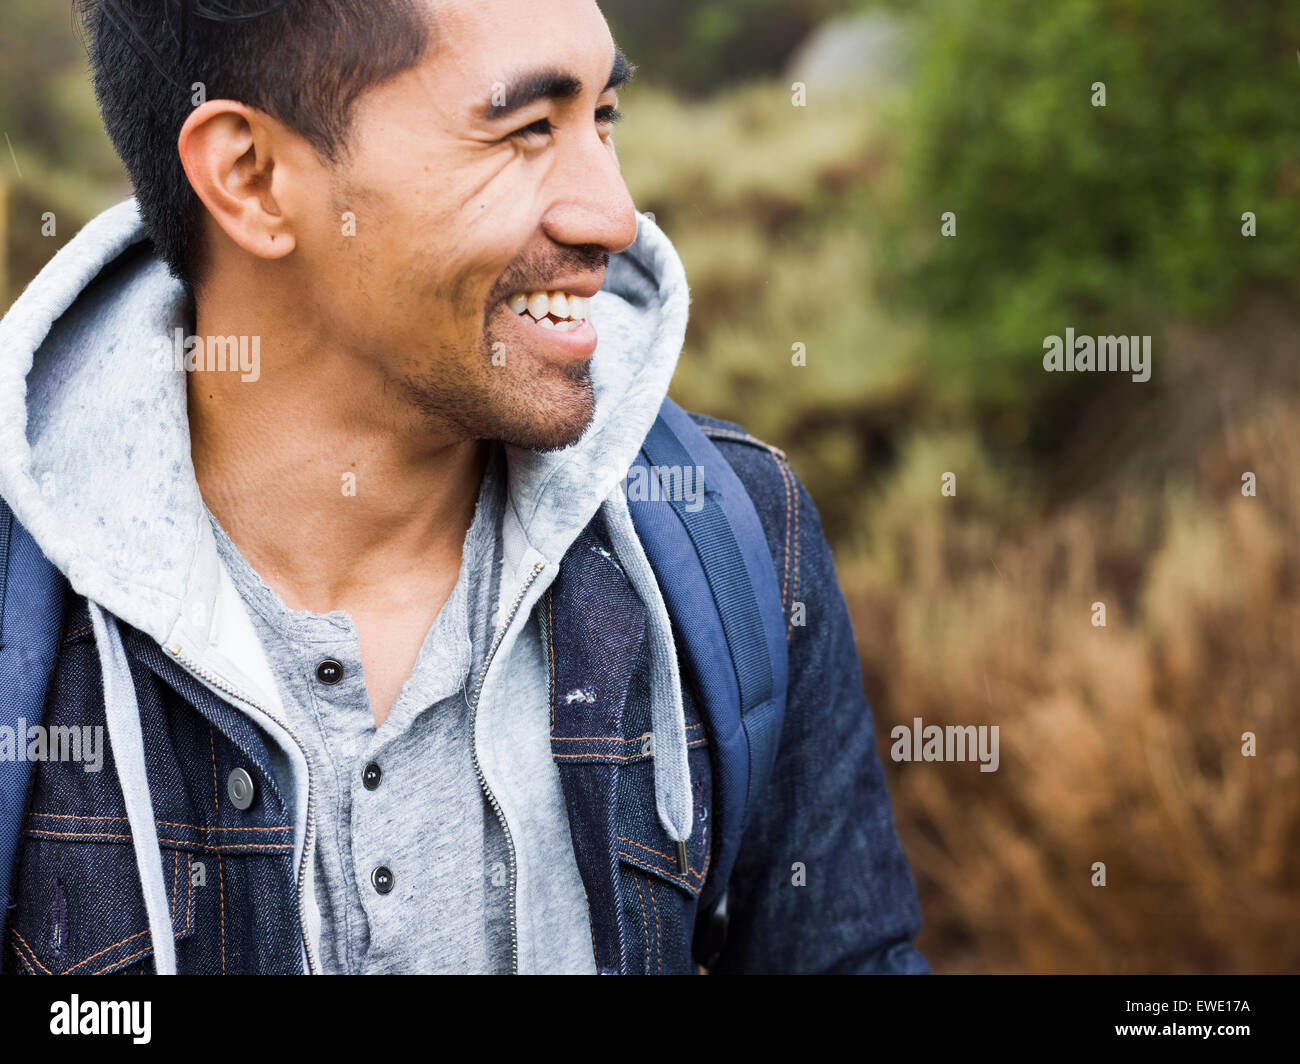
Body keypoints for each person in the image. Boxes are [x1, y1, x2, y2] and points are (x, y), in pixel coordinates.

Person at [0, 0, 927, 975]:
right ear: (253, 178)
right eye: (527, 128)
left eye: (601, 116)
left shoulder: (729, 531)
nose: (615, 215)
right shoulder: (26, 619)